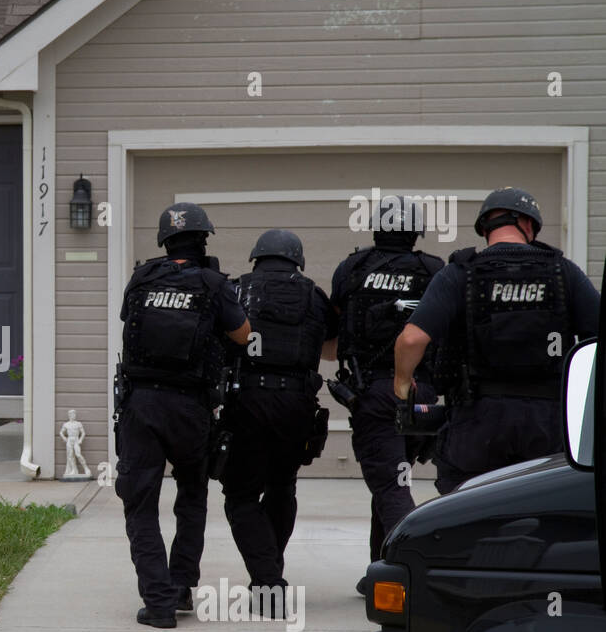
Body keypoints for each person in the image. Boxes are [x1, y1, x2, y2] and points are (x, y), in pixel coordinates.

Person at [395, 188, 600, 494]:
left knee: (469, 515)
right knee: (544, 512)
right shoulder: (563, 272)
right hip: (547, 424)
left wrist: (402, 381)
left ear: (485, 228)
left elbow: (412, 339)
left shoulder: (458, 274)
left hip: (477, 423)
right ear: (528, 225)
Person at [114, 203, 251, 629]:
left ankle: (157, 604)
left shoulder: (141, 278)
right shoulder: (213, 283)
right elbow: (243, 336)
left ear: (164, 240)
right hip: (191, 408)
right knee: (191, 498)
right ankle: (180, 590)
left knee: (140, 503)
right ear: (203, 239)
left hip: (141, 406)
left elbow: (128, 322)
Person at [330, 196, 444, 594]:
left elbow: (337, 328)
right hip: (421, 393)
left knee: (391, 486)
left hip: (376, 394)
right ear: (415, 232)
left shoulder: (352, 268)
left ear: (376, 229)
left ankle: (414, 574)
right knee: (393, 477)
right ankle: (379, 570)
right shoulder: (434, 270)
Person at [219, 229, 338, 608]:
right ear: (297, 261)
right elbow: (332, 351)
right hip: (298, 404)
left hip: (248, 401)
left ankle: (268, 581)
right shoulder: (316, 296)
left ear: (256, 257)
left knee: (239, 494)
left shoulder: (238, 290)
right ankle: (269, 574)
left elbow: (220, 342)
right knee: (282, 486)